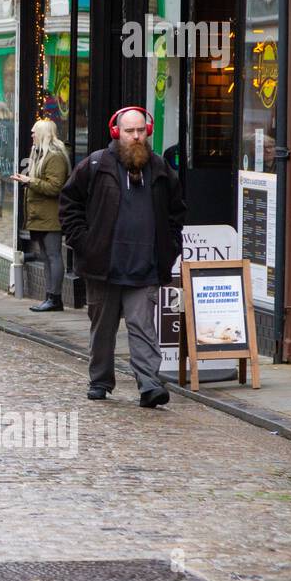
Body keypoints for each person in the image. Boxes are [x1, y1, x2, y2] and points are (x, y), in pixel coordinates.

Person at [59, 107, 186, 408]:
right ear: (117, 133)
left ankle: (149, 385)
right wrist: (84, 243)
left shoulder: (161, 169)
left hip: (145, 268)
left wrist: (169, 246)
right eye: (130, 131)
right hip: (103, 266)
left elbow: (176, 212)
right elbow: (69, 204)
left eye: (141, 130)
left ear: (148, 130)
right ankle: (100, 381)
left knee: (143, 328)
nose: (136, 136)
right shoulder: (96, 165)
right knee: (102, 328)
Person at [13, 118, 71, 312]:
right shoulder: (40, 154)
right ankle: (50, 296)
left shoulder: (54, 156)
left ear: (43, 133)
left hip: (51, 216)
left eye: (33, 132)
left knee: (53, 256)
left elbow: (55, 187)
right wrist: (28, 180)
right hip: (41, 215)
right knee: (46, 257)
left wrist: (30, 181)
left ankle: (55, 298)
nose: (31, 135)